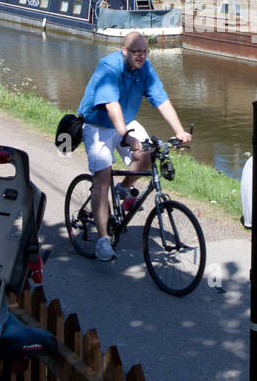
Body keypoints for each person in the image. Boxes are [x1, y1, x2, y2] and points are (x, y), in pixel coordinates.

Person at [77, 31, 191, 261]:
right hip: (98, 124)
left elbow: (161, 99)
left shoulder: (146, 69)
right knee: (102, 178)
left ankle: (124, 187)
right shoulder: (109, 66)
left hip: (126, 120)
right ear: (124, 51)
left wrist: (178, 130)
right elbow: (111, 105)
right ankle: (102, 241)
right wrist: (125, 136)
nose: (141, 56)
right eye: (136, 52)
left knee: (148, 154)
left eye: (145, 51)